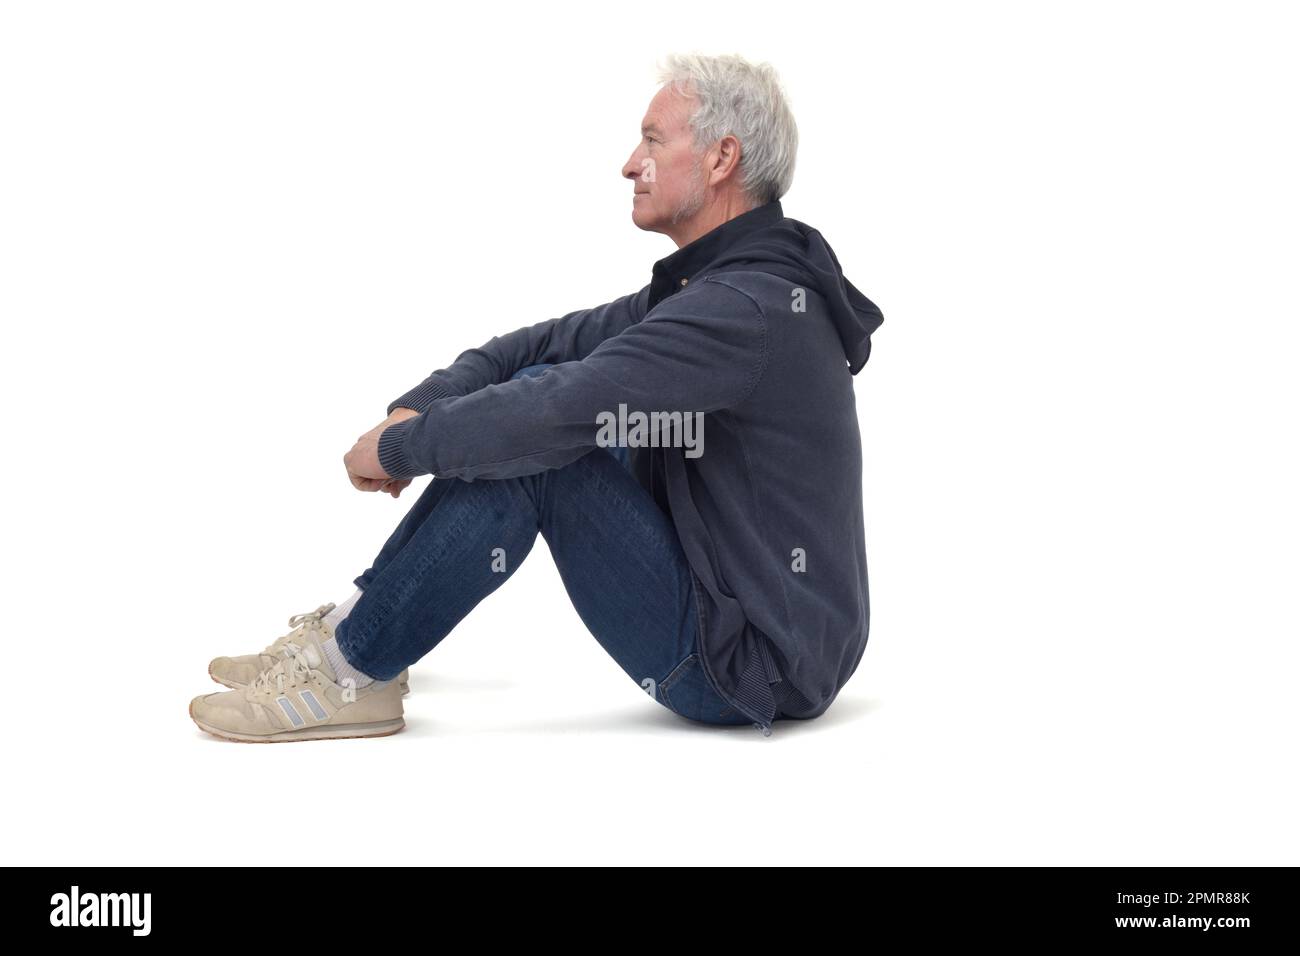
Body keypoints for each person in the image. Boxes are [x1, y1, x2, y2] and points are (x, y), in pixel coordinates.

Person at [189, 52, 884, 743]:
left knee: (541, 441)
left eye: (652, 140)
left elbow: (550, 409)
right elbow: (541, 347)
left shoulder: (744, 309)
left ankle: (351, 668)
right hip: (758, 626)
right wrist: (419, 405)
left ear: (721, 157)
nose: (629, 163)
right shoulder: (721, 289)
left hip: (748, 667)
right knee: (537, 409)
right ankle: (358, 638)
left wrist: (401, 448)